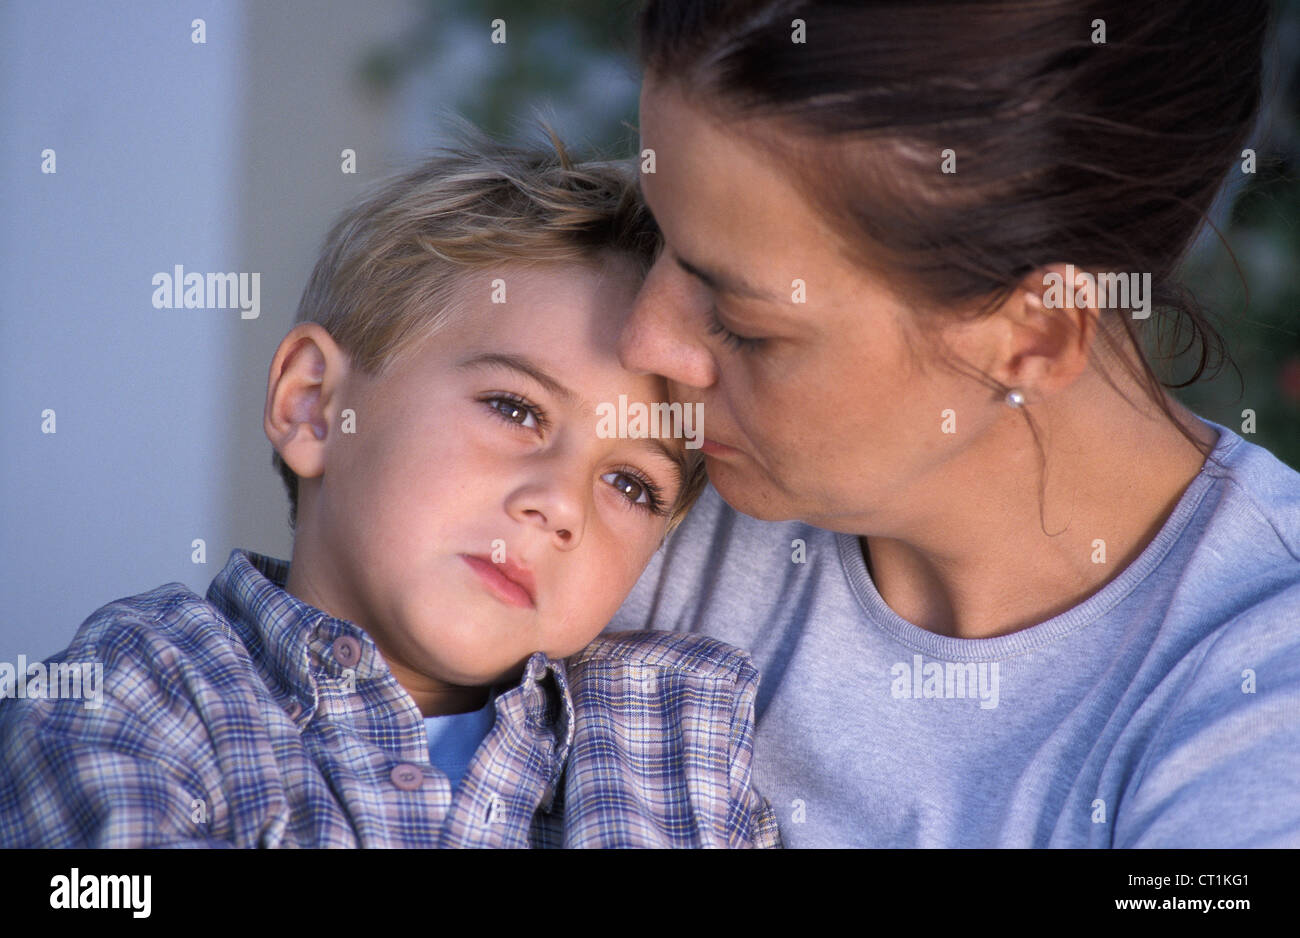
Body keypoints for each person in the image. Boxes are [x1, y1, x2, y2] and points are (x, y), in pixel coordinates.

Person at [608, 0, 1300, 847]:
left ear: (1033, 337)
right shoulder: (610, 473)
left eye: (744, 321)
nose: (642, 340)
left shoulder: (1264, 703)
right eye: (659, 236)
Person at [0, 131, 780, 849]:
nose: (562, 505)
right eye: (516, 409)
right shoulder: (141, 693)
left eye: (630, 484)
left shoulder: (677, 735)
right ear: (313, 406)